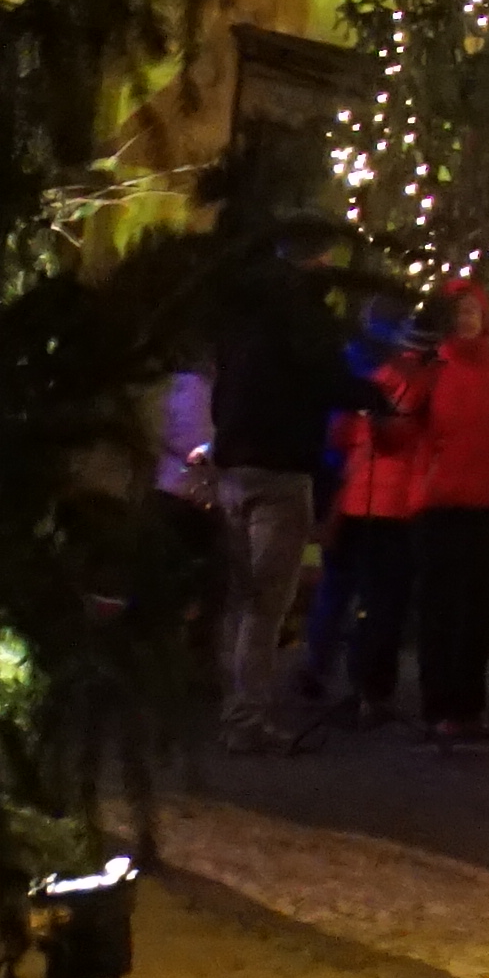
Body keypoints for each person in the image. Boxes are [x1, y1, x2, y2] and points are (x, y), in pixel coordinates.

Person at [205, 256, 374, 755]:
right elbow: (334, 384)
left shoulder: (241, 331)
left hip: (233, 468)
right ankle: (246, 718)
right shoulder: (307, 333)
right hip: (282, 472)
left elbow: (220, 399)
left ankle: (231, 709)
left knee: (238, 598)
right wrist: (378, 397)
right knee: (265, 602)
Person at [390, 282, 489, 751]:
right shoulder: (432, 370)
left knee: (480, 610)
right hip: (440, 504)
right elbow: (397, 428)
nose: (468, 318)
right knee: (441, 610)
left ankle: (468, 706)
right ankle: (439, 708)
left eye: (475, 309)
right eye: (460, 311)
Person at [311, 288, 425, 729]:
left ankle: (319, 667)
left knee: (337, 585)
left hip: (348, 486)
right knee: (380, 596)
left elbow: (336, 430)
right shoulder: (404, 369)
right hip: (383, 495)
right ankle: (368, 686)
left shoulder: (348, 359)